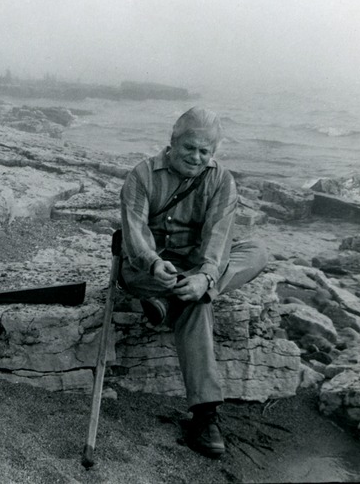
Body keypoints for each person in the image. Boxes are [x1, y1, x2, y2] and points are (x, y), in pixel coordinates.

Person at [119, 107, 268, 458]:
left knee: (258, 251)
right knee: (198, 305)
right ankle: (205, 415)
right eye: (190, 148)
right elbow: (135, 234)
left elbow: (220, 236)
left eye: (206, 152)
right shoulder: (141, 176)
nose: (197, 157)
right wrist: (155, 264)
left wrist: (205, 277)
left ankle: (174, 300)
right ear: (173, 141)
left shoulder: (222, 180)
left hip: (195, 267)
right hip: (147, 270)